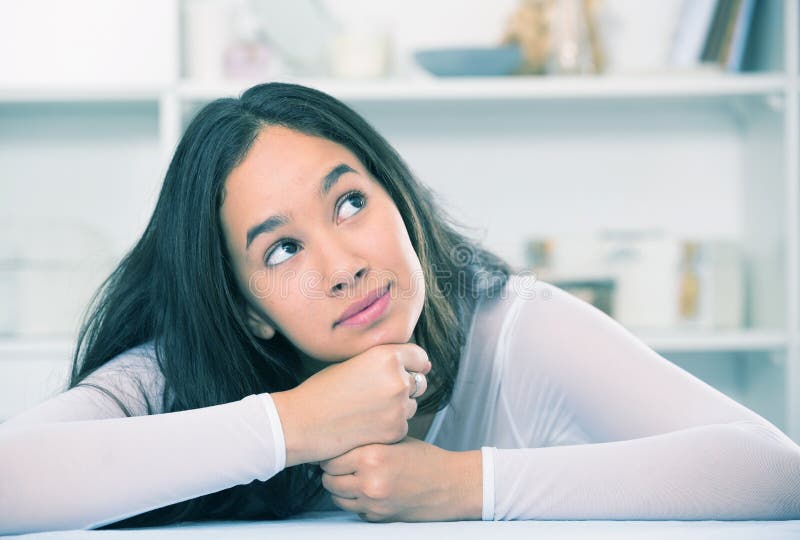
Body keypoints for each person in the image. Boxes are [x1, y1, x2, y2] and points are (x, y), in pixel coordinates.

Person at [1, 83, 799, 535]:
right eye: (282, 250)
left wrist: (465, 487)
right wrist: (295, 423)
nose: (344, 264)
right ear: (248, 312)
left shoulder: (515, 328)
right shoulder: (181, 371)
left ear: (402, 202)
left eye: (349, 202)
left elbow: (773, 471)